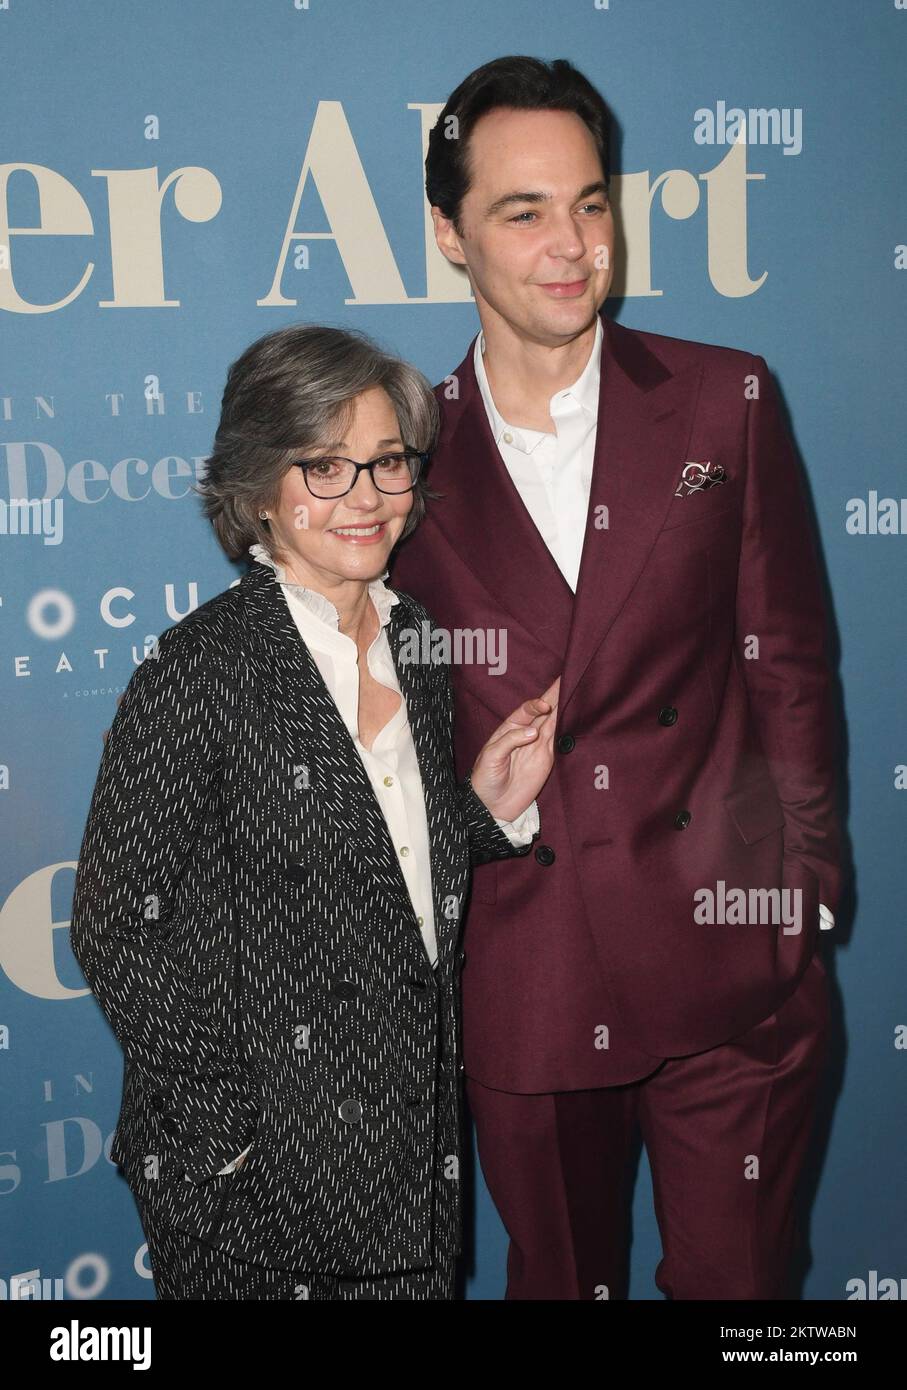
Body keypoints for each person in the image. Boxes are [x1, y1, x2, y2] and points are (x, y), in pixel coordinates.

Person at [390, 55, 843, 1300]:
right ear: (448, 234)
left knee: (745, 1299)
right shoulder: (399, 466)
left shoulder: (719, 398)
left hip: (731, 961)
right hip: (533, 977)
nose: (570, 245)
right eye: (521, 210)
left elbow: (789, 657)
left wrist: (803, 882)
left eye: (590, 202)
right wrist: (485, 809)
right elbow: (375, 742)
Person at [70, 323, 557, 1300]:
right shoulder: (198, 671)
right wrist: (229, 1133)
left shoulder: (415, 637)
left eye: (386, 464)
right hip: (256, 1189)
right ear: (257, 487)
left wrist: (484, 813)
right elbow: (117, 926)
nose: (367, 497)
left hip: (410, 1160)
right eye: (325, 467)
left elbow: (372, 869)